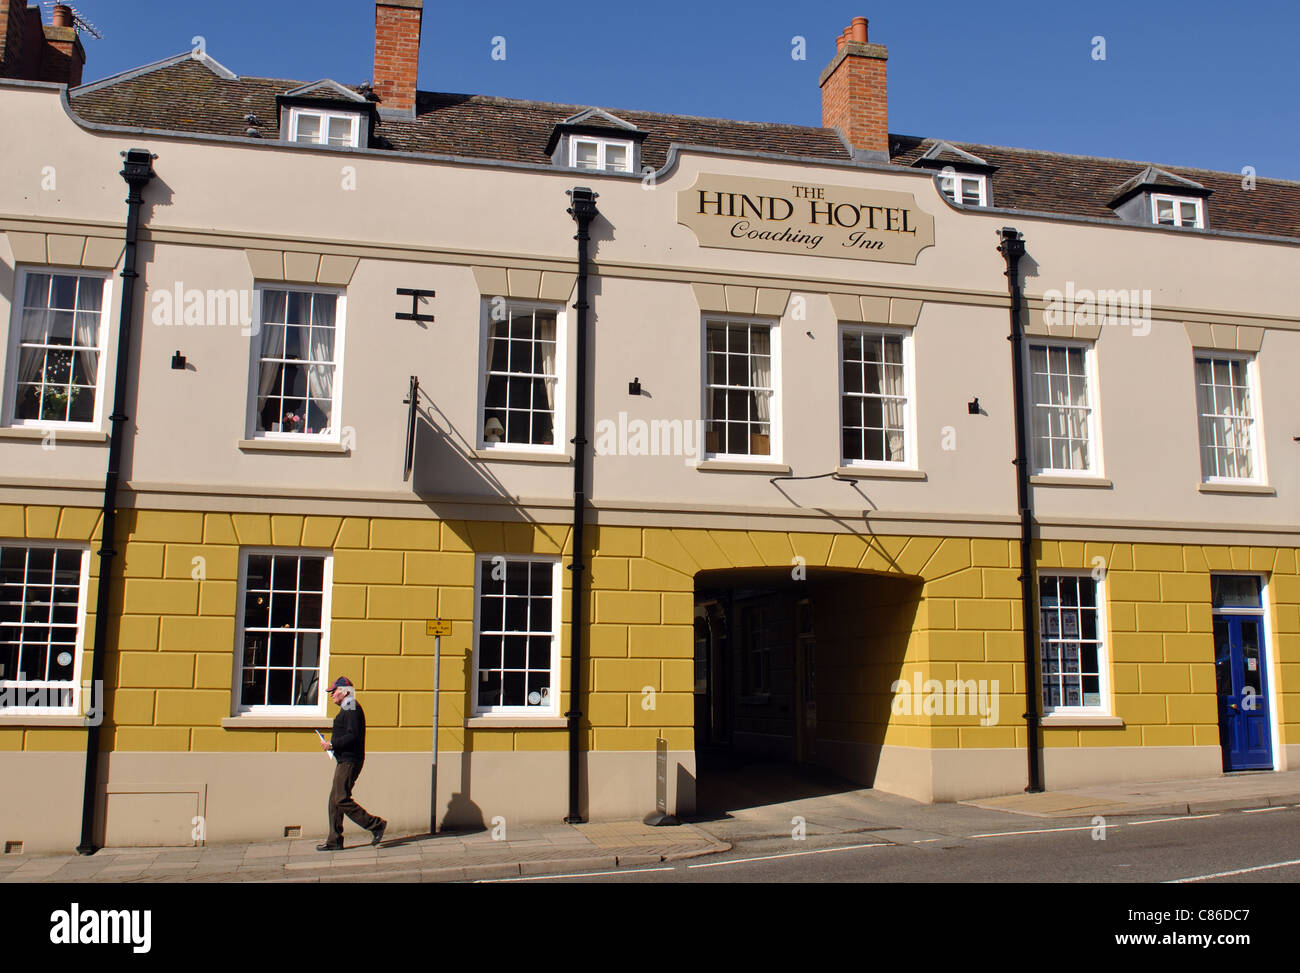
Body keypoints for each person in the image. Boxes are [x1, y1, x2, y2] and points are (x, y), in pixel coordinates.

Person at [317, 676, 387, 851]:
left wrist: (332, 744)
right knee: (334, 801)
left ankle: (375, 824)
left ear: (345, 691)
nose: (331, 695)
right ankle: (334, 840)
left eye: (334, 691)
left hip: (350, 760)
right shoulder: (347, 707)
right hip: (344, 759)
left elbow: (353, 735)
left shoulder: (351, 707)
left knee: (340, 798)